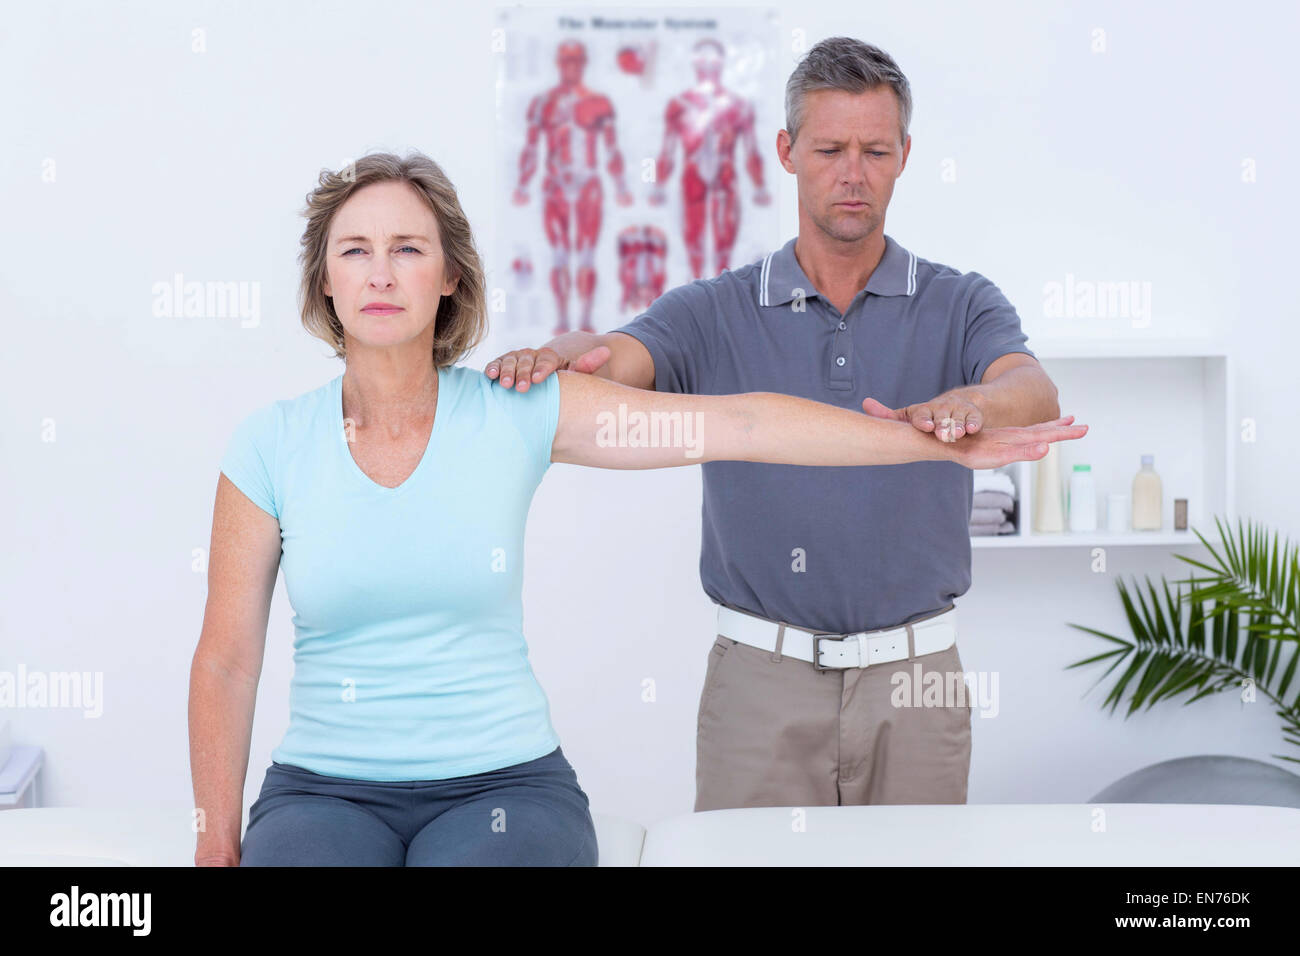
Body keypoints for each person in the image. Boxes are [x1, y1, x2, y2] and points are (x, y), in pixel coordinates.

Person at [189, 150, 1085, 868]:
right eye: (355, 250)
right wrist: (214, 836)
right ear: (326, 282)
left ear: (450, 279)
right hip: (323, 792)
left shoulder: (516, 408)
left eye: (408, 248)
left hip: (502, 788)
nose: (381, 272)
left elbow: (739, 424)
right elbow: (228, 662)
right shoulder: (270, 445)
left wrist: (933, 437)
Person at [485, 37, 1065, 811]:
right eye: (829, 149)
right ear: (787, 151)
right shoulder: (714, 309)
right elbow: (615, 360)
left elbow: (1031, 388)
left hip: (917, 678)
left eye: (874, 150)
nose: (852, 173)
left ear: (905, 155)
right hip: (759, 680)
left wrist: (974, 406)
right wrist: (561, 350)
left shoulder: (961, 302)